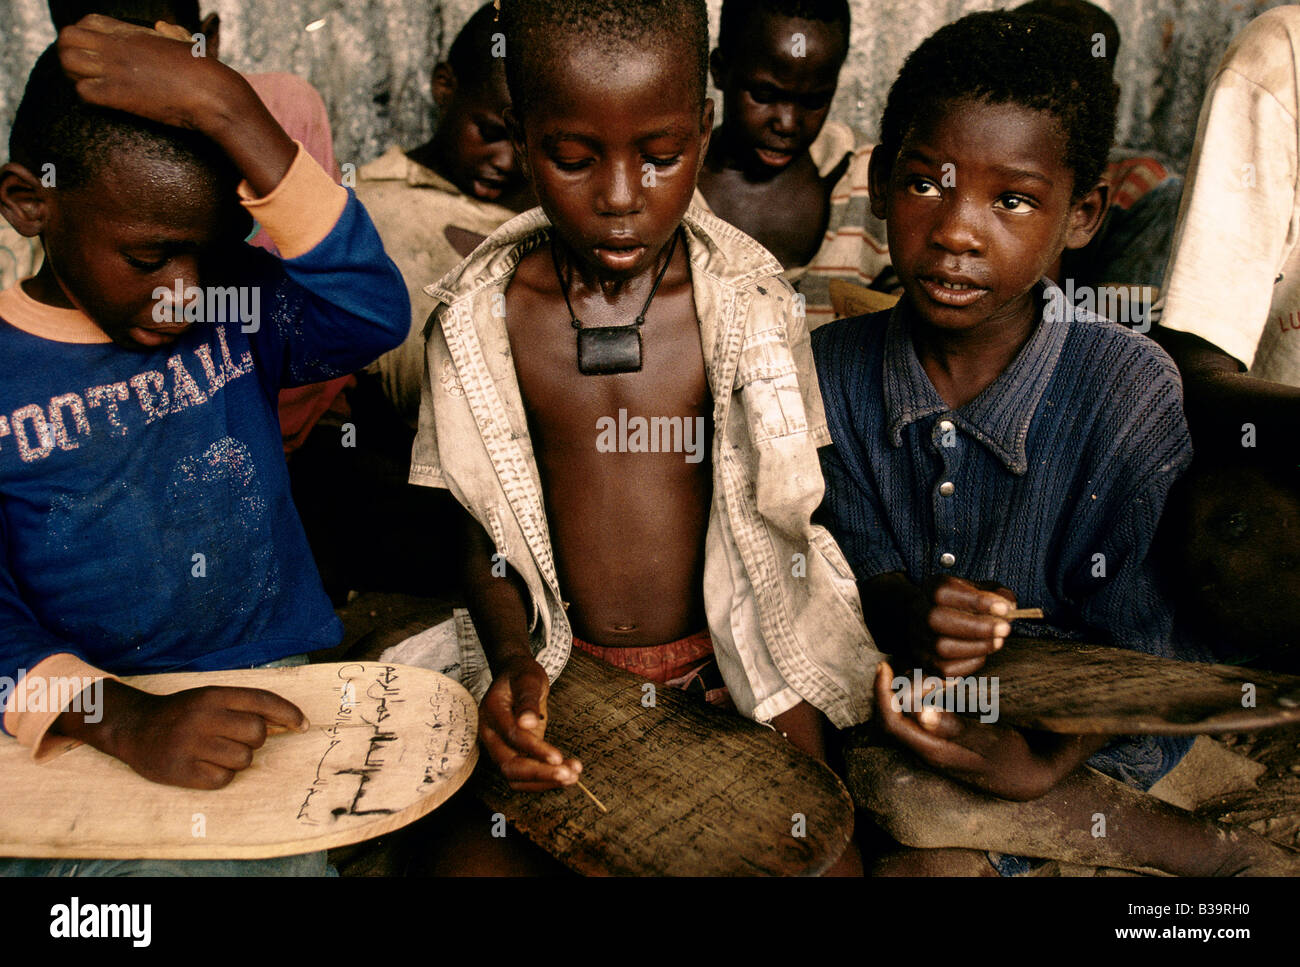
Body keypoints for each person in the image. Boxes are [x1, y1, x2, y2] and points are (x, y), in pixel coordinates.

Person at [813, 11, 1296, 876]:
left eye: (1011, 200)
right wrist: (914, 613)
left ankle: (1224, 863)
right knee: (893, 805)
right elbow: (860, 570)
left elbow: (1142, 645)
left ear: (1083, 215)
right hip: (923, 713)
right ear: (883, 184)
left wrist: (1039, 763)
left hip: (1091, 733)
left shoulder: (1126, 386)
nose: (959, 230)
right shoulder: (829, 371)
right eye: (927, 184)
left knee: (926, 846)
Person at [408, 0, 879, 875]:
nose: (622, 198)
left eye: (661, 158)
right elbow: (483, 540)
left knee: (824, 859)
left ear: (702, 129)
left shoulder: (752, 303)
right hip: (564, 663)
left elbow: (796, 512)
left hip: (735, 654)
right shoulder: (479, 323)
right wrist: (514, 662)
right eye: (575, 158)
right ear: (522, 132)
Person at [0, 17, 407, 875]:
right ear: (28, 200)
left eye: (207, 253)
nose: (183, 295)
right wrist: (126, 721)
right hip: (79, 722)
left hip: (270, 684)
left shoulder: (234, 303)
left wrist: (232, 112)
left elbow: (374, 313)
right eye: (148, 257)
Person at [47, 0, 348, 455]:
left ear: (208, 38)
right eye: (97, 49)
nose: (187, 299)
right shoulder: (72, 165)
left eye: (154, 53)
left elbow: (356, 319)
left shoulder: (274, 109)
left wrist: (225, 104)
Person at [355, 0, 530, 428]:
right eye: (490, 133)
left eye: (526, 142)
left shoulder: (564, 198)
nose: (506, 161)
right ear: (445, 86)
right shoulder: (367, 206)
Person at [695, 0, 889, 330]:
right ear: (719, 69)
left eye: (813, 101)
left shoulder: (868, 182)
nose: (787, 123)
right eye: (764, 95)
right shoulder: (674, 192)